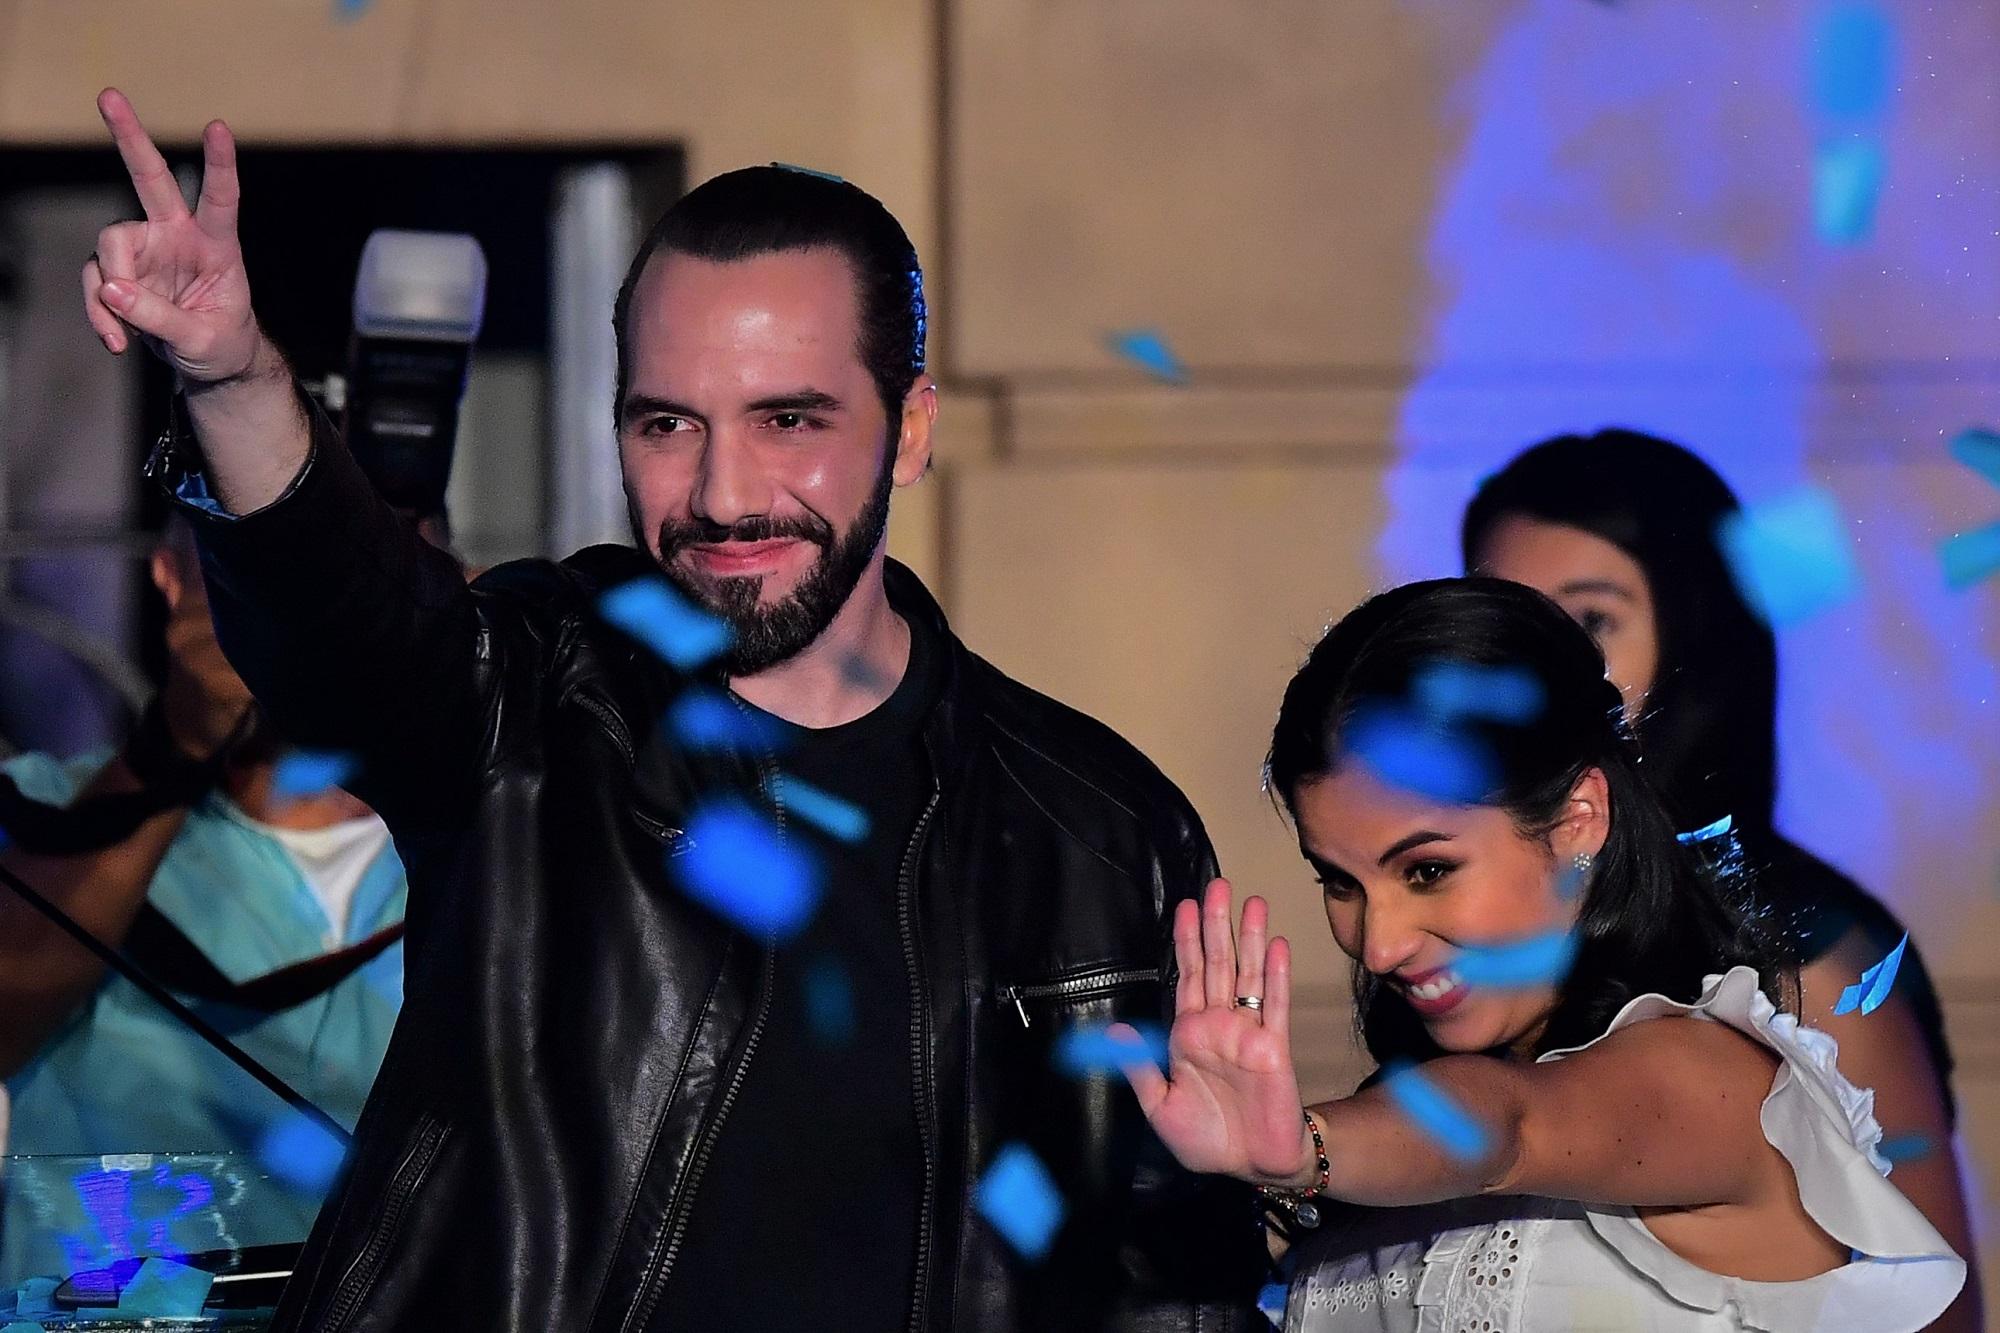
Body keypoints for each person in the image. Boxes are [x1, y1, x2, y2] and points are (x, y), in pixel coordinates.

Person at [78, 89, 1264, 1330]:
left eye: (788, 420)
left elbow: (1167, 1282)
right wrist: (229, 379)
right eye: (667, 425)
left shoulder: (1093, 828)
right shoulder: (530, 698)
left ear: (908, 430)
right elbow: (352, 625)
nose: (722, 493)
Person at [1112, 577, 1964, 1331]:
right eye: (1340, 881)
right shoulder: (1373, 1149)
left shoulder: (1716, 1074)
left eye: (1429, 868)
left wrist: (1307, 1148)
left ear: (1577, 821)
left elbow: (1511, 1124)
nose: (1378, 940)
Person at [1460, 428, 1979, 1329]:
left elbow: (1934, 1310)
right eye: (1507, 619)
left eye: (1589, 622)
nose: (1537, 669)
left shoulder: (1813, 953)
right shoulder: (1463, 917)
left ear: (1696, 634)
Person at [0, 516, 411, 1280]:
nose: (301, 605)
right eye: (250, 560)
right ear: (169, 576)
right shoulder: (39, 813)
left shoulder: (508, 846)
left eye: (347, 566)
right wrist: (179, 739)